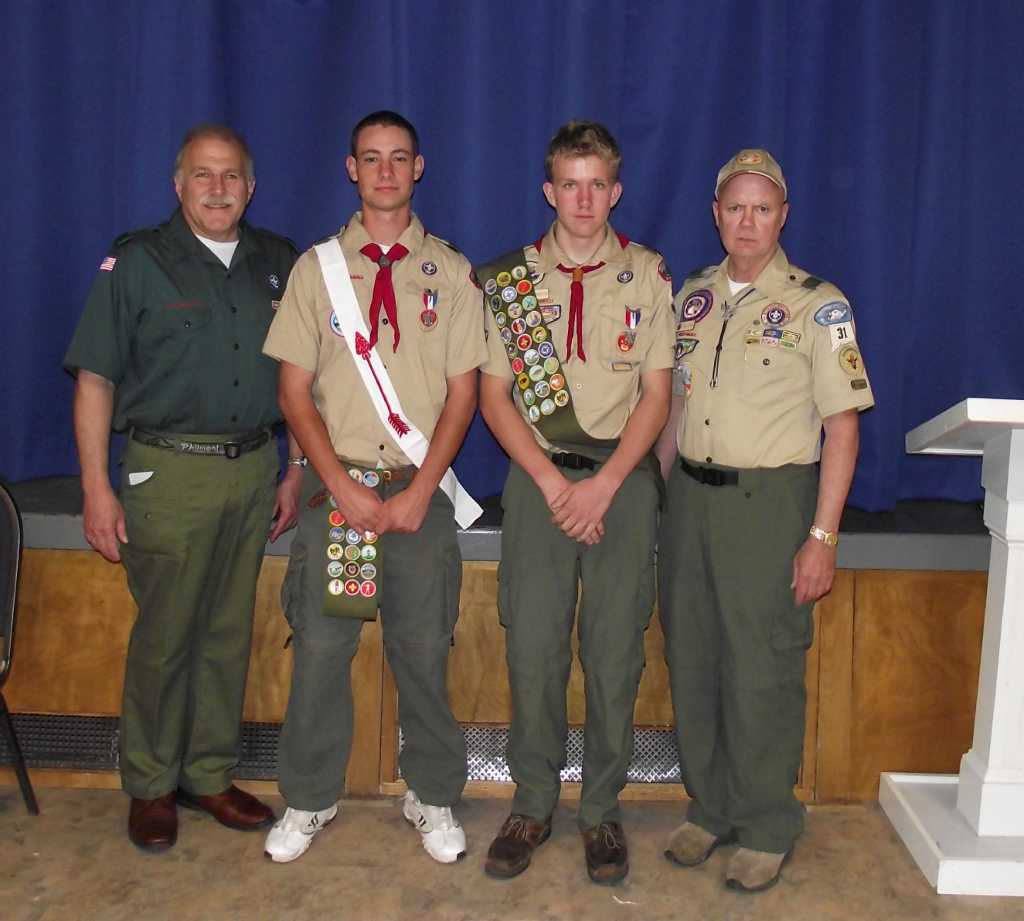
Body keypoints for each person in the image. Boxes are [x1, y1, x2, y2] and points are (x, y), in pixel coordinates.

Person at [64, 124, 302, 851]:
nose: (218, 188)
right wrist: (96, 488)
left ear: (251, 187)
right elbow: (95, 379)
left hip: (253, 469)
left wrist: (295, 467)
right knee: (166, 636)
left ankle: (207, 773)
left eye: (231, 175)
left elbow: (303, 379)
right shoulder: (139, 262)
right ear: (178, 185)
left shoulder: (277, 263)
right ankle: (151, 783)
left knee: (226, 632)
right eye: (203, 174)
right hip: (168, 472)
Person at [261, 110, 485, 865]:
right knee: (322, 650)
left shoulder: (451, 272)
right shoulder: (316, 269)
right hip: (340, 495)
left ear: (418, 168)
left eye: (398, 158)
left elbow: (463, 395)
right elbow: (294, 393)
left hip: (417, 492)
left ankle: (432, 792)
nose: (385, 171)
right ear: (350, 168)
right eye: (371, 158)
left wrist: (422, 491)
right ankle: (308, 795)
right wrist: (336, 484)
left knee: (423, 649)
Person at [654, 149, 875, 892]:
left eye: (762, 208)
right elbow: (676, 405)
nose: (747, 221)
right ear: (715, 214)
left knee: (762, 667)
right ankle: (711, 806)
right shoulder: (691, 296)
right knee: (694, 657)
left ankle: (767, 823)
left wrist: (822, 537)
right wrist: (659, 497)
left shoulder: (819, 305)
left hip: (771, 504)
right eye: (735, 207)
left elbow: (842, 429)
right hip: (691, 500)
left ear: (783, 216)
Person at [477, 121, 674, 884]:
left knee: (614, 650)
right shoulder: (513, 281)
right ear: (549, 190)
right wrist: (555, 482)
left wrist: (606, 484)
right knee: (532, 645)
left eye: (597, 185)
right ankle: (531, 802)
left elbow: (656, 396)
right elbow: (494, 397)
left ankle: (601, 810)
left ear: (615, 192)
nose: (584, 199)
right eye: (570, 184)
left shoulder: (646, 275)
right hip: (539, 481)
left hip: (620, 481)